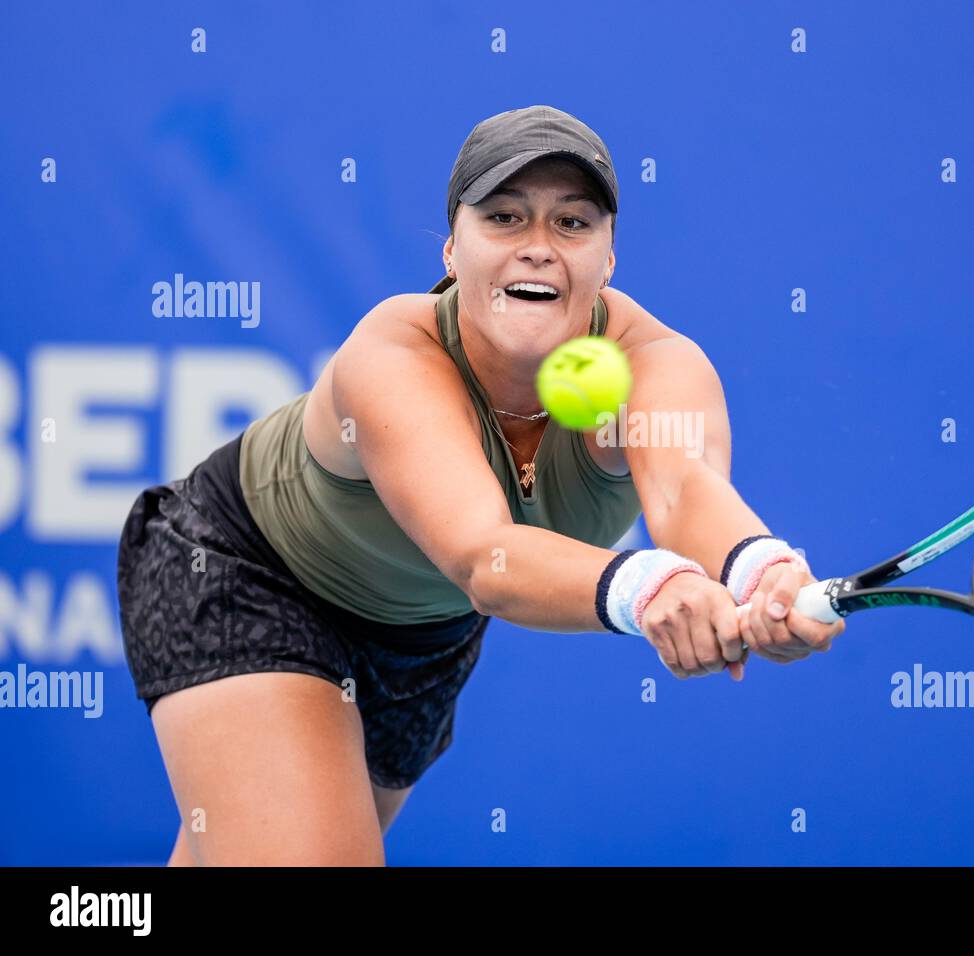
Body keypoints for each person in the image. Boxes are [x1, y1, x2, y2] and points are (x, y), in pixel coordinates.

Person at [116, 105, 844, 867]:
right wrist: (654, 589)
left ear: (609, 258)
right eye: (504, 218)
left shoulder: (655, 363)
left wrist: (762, 571)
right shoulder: (395, 351)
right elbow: (482, 555)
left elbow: (686, 493)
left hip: (423, 639)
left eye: (572, 223)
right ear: (453, 251)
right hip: (246, 575)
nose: (538, 248)